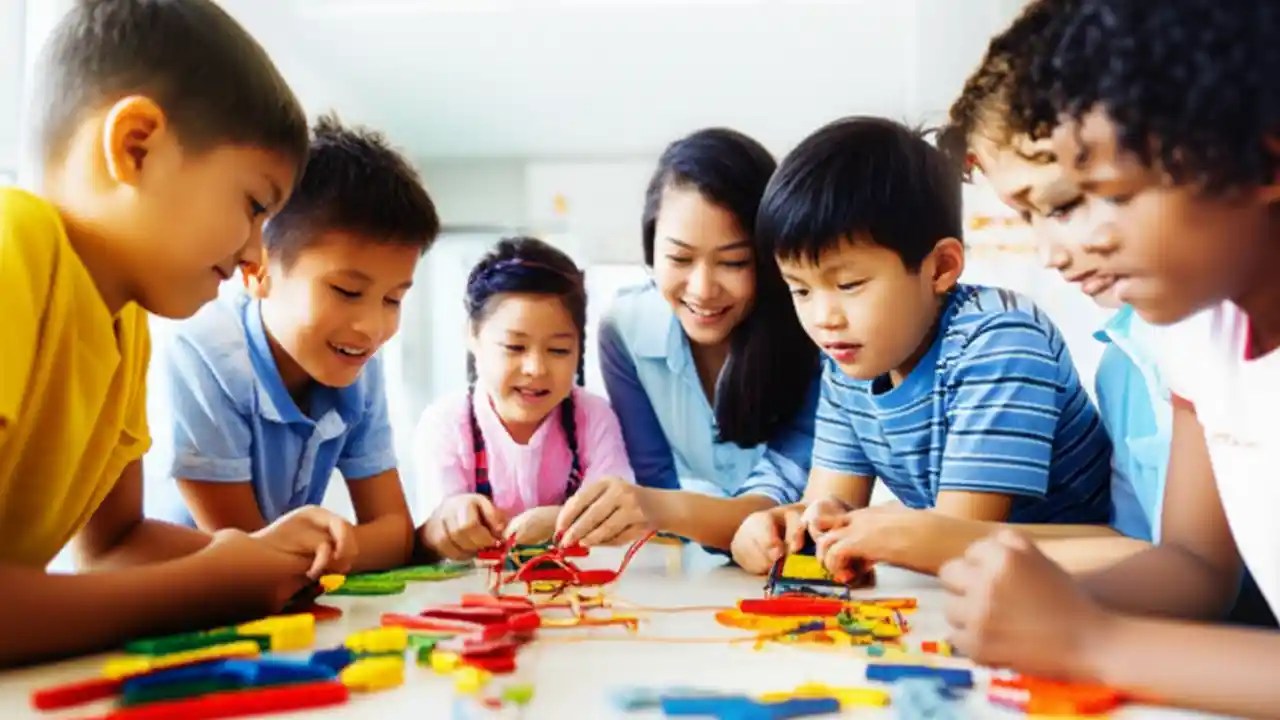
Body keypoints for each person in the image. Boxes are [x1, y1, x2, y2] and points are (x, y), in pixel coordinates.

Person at [940, 2, 1280, 715]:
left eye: (1092, 198)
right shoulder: (1200, 333)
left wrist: (1093, 641)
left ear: (1262, 160)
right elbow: (1196, 564)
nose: (1058, 252)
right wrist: (1042, 607)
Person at [0, 0, 352, 666]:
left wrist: (256, 556)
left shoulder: (125, 320)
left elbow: (113, 544)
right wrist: (204, 587)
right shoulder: (13, 244)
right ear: (136, 147)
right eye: (254, 205)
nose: (254, 255)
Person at [731, 116, 1112, 576]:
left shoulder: (1000, 340)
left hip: (1097, 582)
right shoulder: (849, 362)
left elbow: (955, 539)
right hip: (988, 582)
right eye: (801, 290)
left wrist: (858, 533)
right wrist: (784, 529)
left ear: (941, 268)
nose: (823, 317)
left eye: (849, 284)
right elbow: (827, 518)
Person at [158, 115, 439, 573]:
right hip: (182, 599)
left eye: (393, 299)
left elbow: (396, 535)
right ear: (258, 270)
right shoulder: (206, 354)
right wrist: (347, 548)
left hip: (274, 595)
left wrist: (325, 551)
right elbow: (248, 560)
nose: (371, 327)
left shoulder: (358, 368)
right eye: (347, 291)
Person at [596, 128, 820, 551]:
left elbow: (780, 503)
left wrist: (659, 509)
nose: (702, 290)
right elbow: (656, 482)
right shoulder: (624, 328)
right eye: (679, 258)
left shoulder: (815, 332)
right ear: (651, 248)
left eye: (733, 262)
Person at [415, 237, 640, 558]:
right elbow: (435, 531)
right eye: (514, 347)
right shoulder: (445, 423)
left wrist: (558, 522)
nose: (536, 368)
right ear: (473, 336)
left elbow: (617, 513)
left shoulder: (593, 417)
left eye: (558, 350)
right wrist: (450, 522)